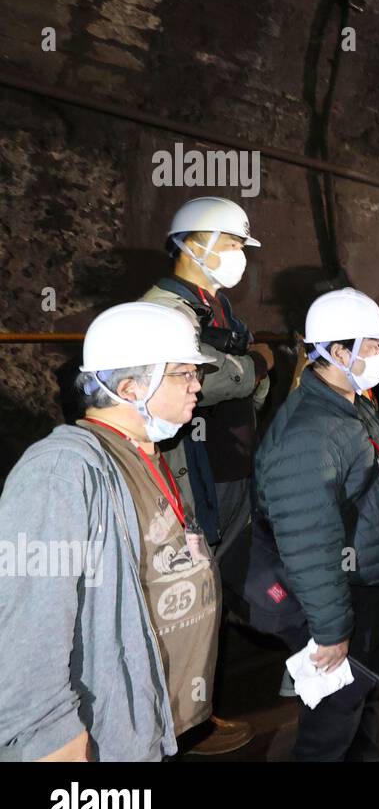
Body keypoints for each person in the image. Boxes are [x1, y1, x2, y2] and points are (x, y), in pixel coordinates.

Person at [0, 303, 217, 761]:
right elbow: (27, 620)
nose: (197, 385)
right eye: (183, 373)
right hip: (102, 740)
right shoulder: (60, 473)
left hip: (149, 726)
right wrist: (49, 737)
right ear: (130, 388)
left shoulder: (145, 452)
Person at [255, 289, 379, 761]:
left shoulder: (350, 404)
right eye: (373, 346)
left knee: (362, 713)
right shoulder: (307, 433)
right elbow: (308, 543)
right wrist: (331, 628)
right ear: (339, 353)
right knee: (328, 736)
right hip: (345, 598)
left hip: (368, 588)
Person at [142, 195, 268, 754]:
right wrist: (254, 367)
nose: (241, 255)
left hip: (228, 470)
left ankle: (199, 707)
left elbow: (238, 380)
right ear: (193, 243)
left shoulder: (215, 307)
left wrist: (251, 376)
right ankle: (178, 723)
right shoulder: (164, 311)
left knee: (211, 594)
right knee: (184, 597)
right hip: (191, 477)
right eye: (234, 243)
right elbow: (194, 380)